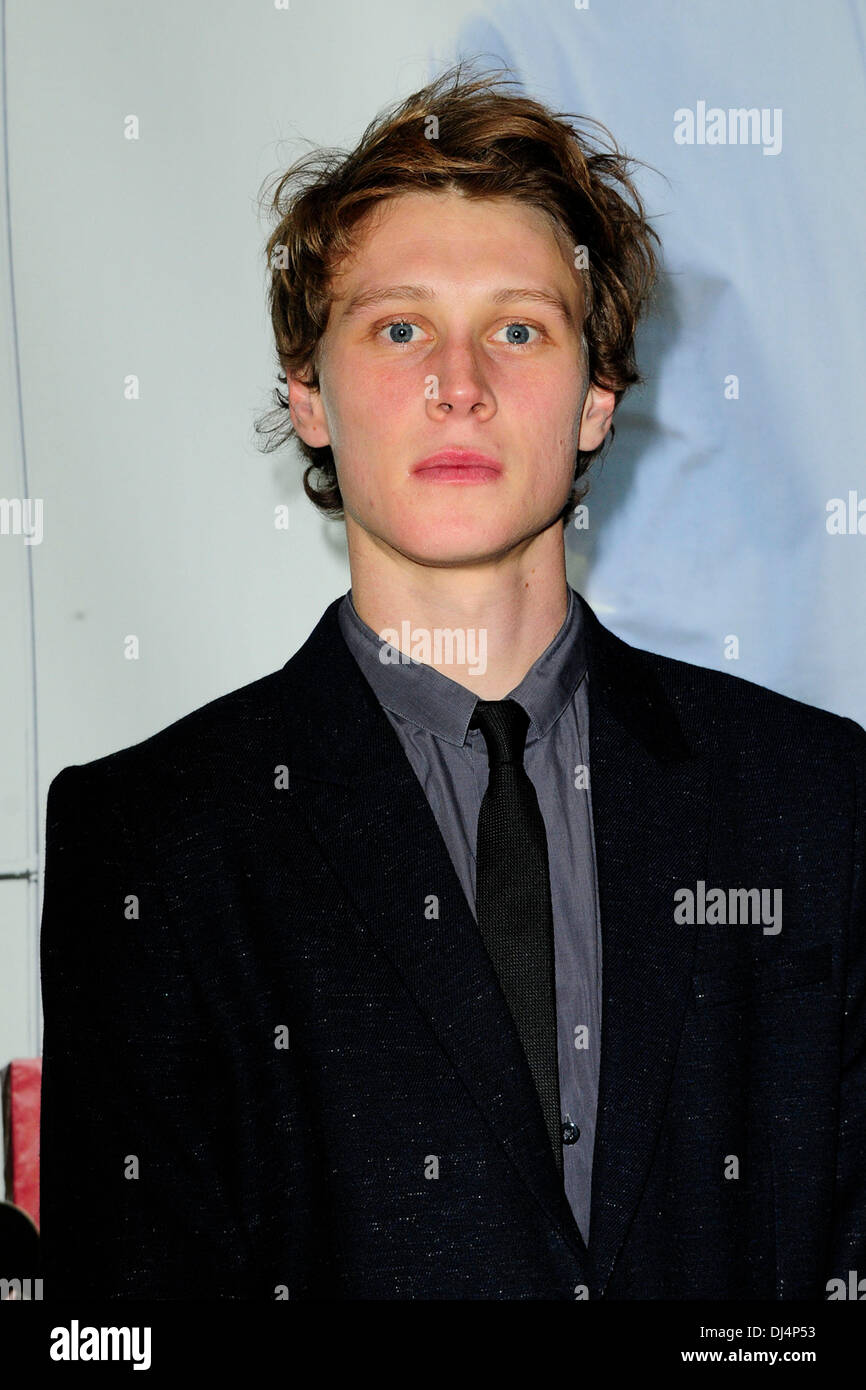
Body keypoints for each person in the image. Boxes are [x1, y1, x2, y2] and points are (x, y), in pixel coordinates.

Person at [39, 61, 865, 1300]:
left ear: (597, 397)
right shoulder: (156, 843)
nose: (458, 383)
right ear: (305, 396)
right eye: (399, 327)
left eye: (517, 328)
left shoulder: (816, 800)